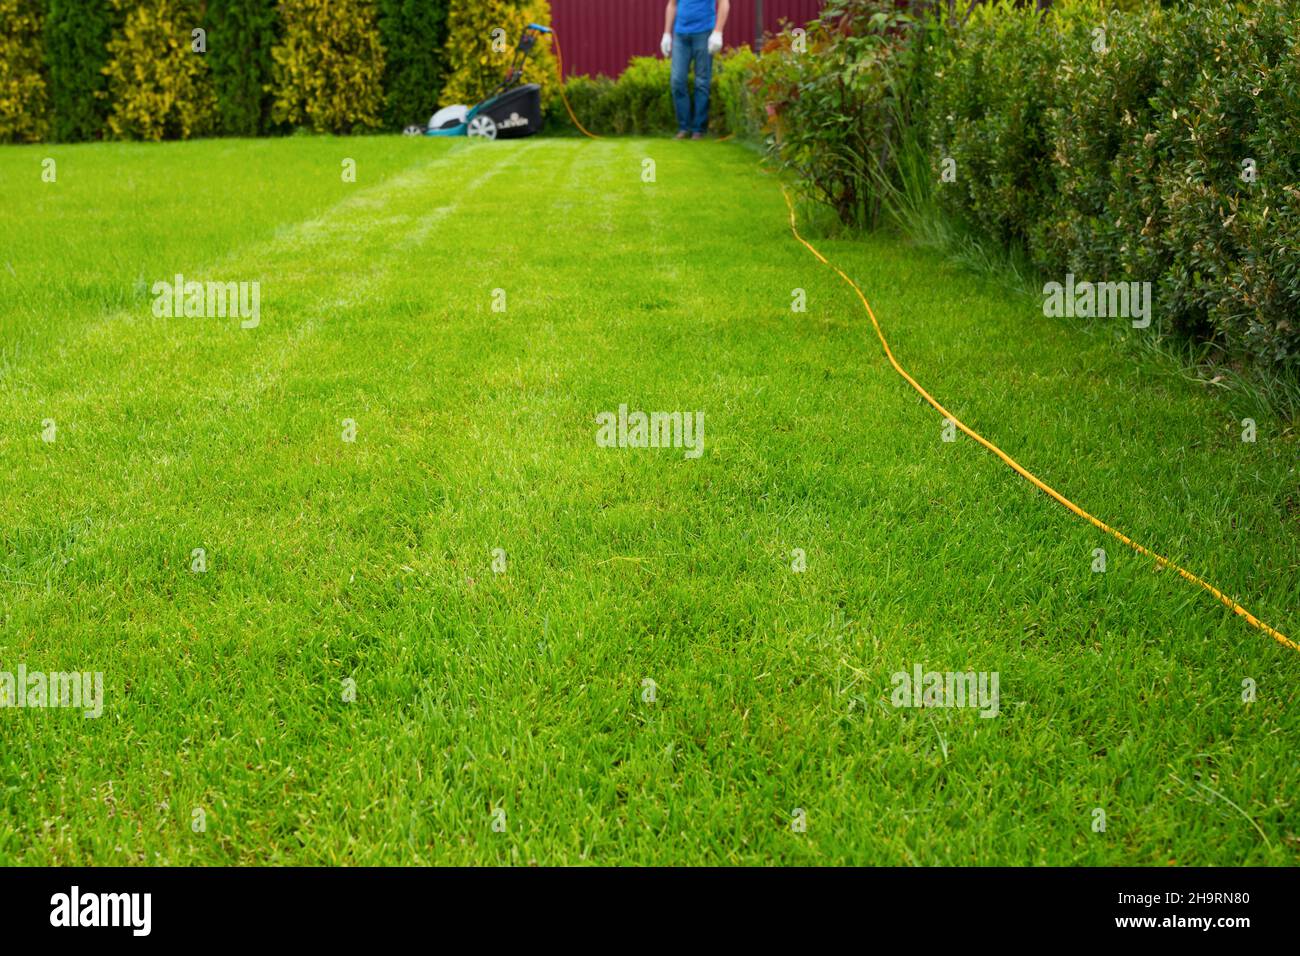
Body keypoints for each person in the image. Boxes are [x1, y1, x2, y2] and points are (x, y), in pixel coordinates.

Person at [661, 1, 731, 139]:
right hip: (680, 35)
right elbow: (672, 5)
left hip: (703, 33)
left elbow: (724, 3)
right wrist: (667, 33)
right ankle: (684, 127)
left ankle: (698, 129)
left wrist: (718, 31)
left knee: (702, 82)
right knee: (677, 81)